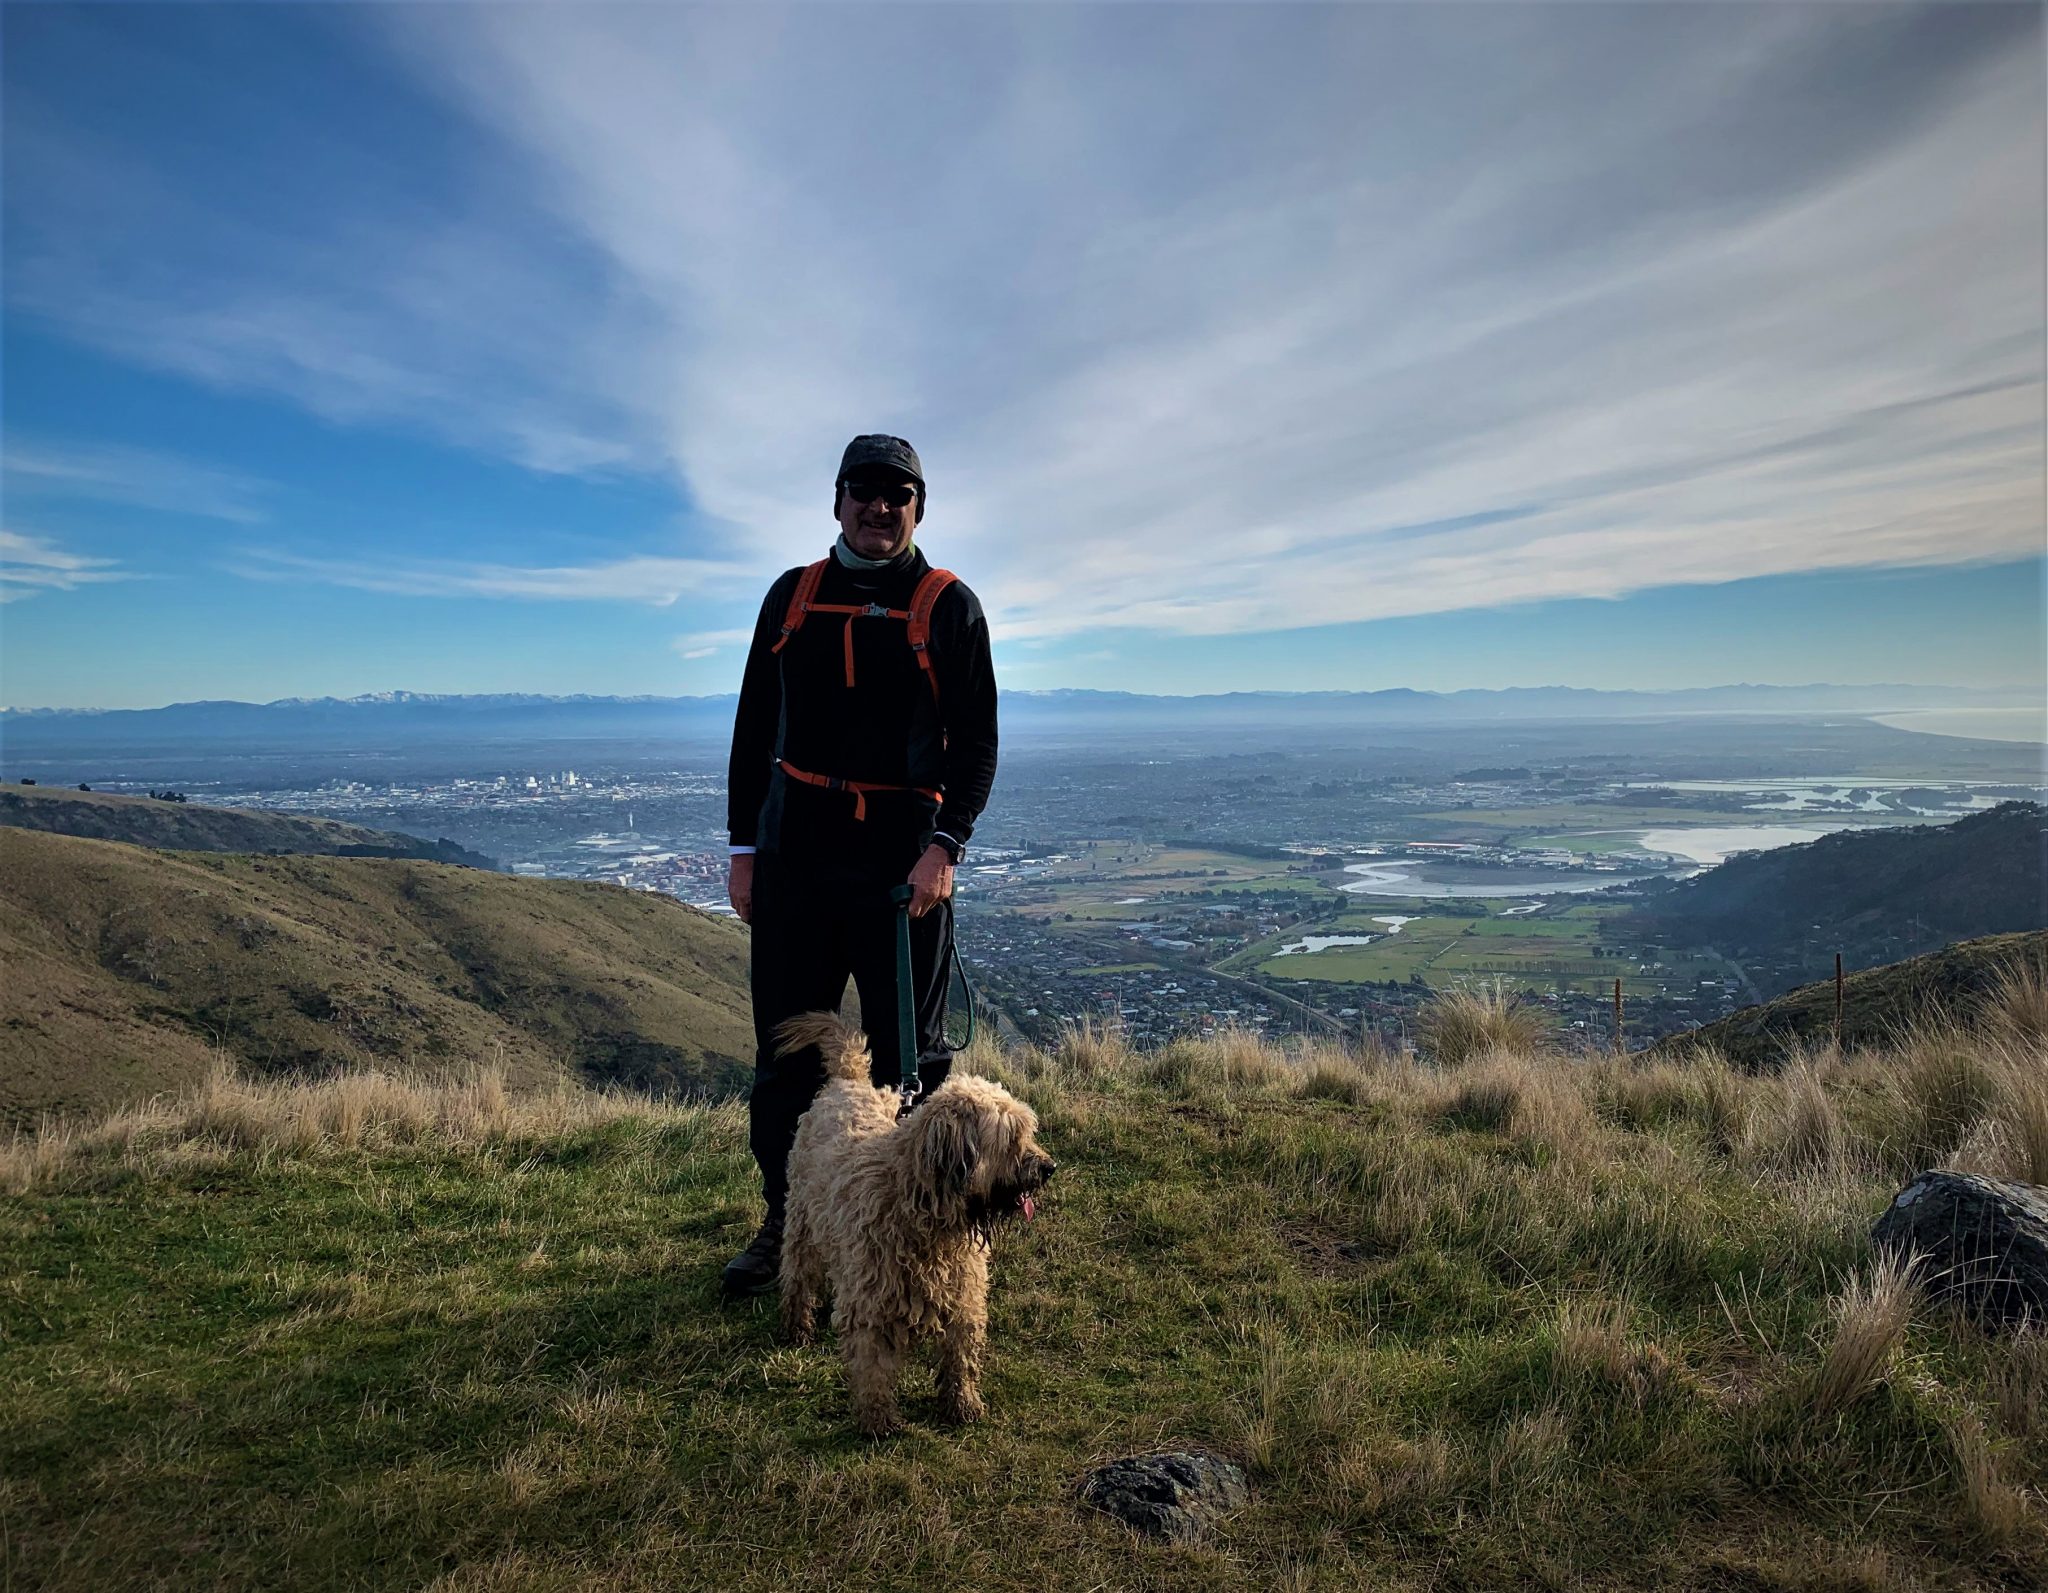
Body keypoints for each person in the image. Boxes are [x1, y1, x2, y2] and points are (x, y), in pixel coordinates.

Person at [721, 434, 999, 1298]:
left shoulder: (948, 604)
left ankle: (932, 1222)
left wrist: (945, 845)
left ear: (920, 507)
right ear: (837, 500)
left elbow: (979, 741)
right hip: (796, 849)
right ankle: (788, 1219)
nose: (880, 507)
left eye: (899, 493)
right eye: (864, 491)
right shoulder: (792, 596)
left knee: (909, 1059)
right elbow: (752, 726)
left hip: (899, 860)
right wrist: (742, 851)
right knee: (789, 1053)